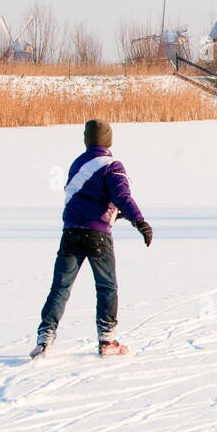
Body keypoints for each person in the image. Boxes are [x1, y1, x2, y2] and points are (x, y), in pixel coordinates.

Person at [30, 119, 152, 359]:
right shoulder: (112, 165)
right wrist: (140, 222)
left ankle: (44, 339)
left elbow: (84, 198)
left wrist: (117, 215)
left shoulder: (78, 164)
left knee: (60, 287)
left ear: (87, 139)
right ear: (109, 140)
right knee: (106, 287)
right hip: (98, 235)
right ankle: (107, 340)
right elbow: (122, 196)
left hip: (71, 232)